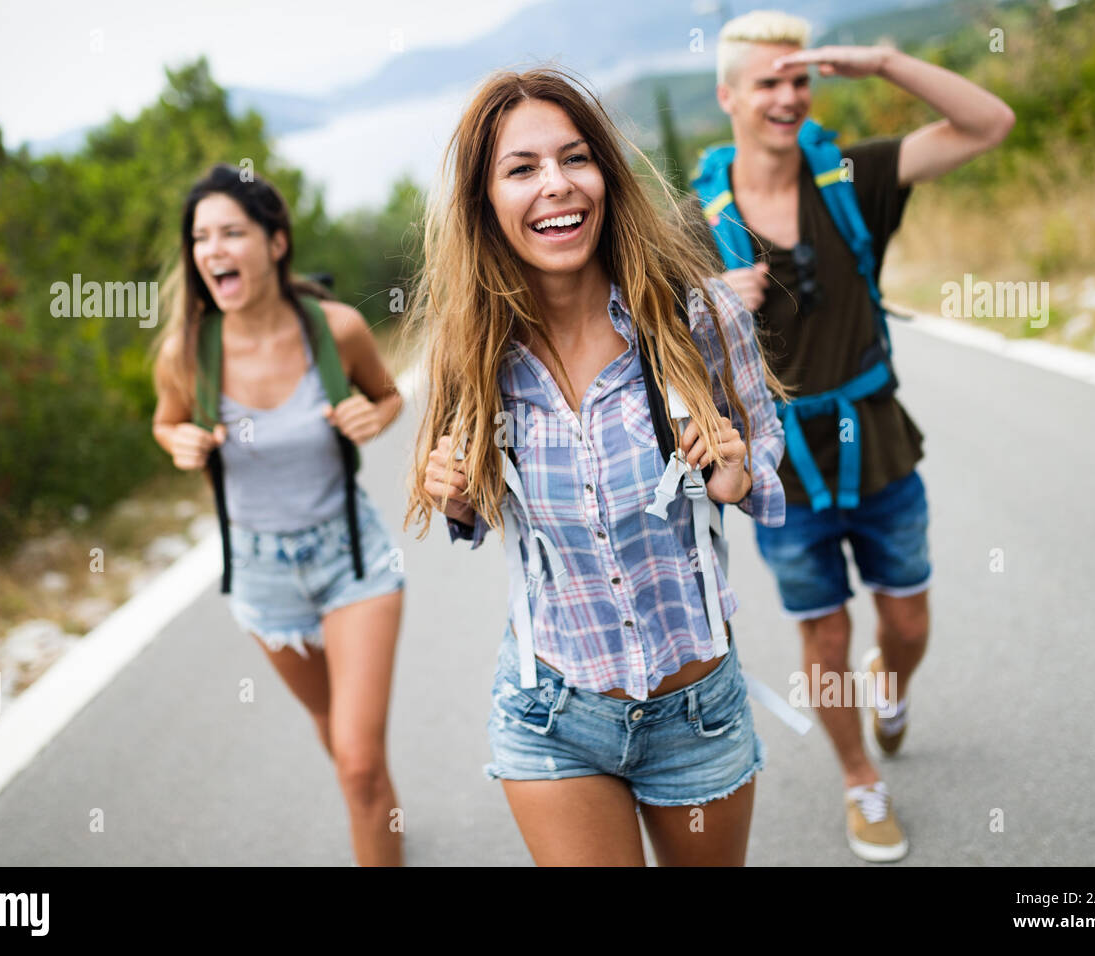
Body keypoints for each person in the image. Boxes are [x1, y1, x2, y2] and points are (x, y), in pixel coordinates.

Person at [404, 67, 788, 866]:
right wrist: (457, 496)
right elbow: (469, 506)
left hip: (696, 712)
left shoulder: (698, 315)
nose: (556, 185)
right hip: (551, 717)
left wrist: (735, 472)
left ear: (606, 175)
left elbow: (761, 460)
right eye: (521, 168)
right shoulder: (470, 351)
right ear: (484, 201)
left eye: (575, 158)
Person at [689, 10, 1015, 861]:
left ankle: (893, 691)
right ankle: (857, 777)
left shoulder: (851, 175)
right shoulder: (690, 228)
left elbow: (990, 124)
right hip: (783, 471)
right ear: (728, 95)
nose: (789, 96)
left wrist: (883, 63)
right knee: (824, 634)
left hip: (879, 443)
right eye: (768, 81)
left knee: (905, 623)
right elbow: (653, 353)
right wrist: (713, 303)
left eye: (800, 79)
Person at [151, 164, 406, 866]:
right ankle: (383, 811)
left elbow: (388, 396)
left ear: (276, 243)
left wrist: (372, 415)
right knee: (336, 737)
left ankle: (371, 798)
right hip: (260, 574)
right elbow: (165, 424)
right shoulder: (186, 354)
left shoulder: (336, 329)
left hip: (352, 559)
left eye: (232, 231)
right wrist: (180, 441)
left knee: (355, 761)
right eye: (201, 237)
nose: (214, 249)